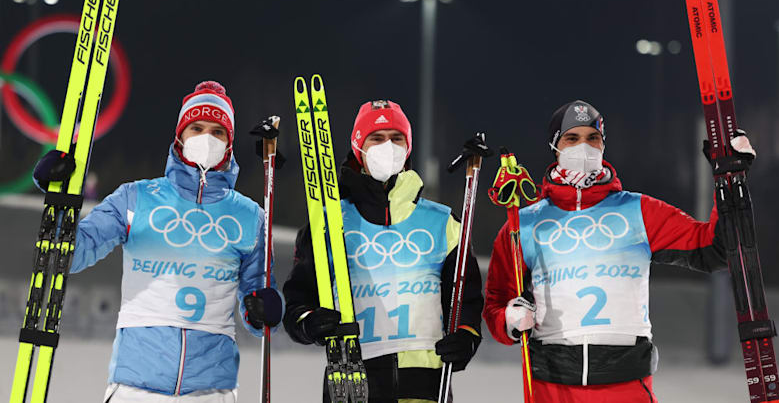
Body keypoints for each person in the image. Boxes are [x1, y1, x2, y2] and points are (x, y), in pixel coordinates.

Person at [482, 100, 755, 403]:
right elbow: (495, 302)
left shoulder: (639, 210)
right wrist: (509, 319)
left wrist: (729, 181)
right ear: (554, 146)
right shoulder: (524, 224)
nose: (583, 147)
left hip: (625, 383)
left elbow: (715, 249)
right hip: (552, 384)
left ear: (603, 145)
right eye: (572, 138)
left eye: (592, 138)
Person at [33, 81, 283, 402]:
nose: (207, 138)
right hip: (135, 387)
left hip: (211, 391)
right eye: (197, 128)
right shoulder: (135, 198)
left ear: (230, 143)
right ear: (180, 136)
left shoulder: (250, 216)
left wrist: (268, 310)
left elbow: (259, 314)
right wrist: (55, 200)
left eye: (217, 132)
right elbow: (70, 255)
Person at [282, 100, 484, 402]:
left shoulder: (443, 223)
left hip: (426, 388)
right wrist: (310, 323)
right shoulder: (327, 224)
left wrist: (466, 337)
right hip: (351, 385)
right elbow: (298, 301)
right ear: (358, 148)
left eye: (396, 138)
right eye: (376, 138)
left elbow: (466, 298)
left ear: (408, 147)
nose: (387, 146)